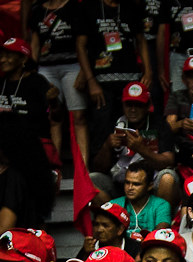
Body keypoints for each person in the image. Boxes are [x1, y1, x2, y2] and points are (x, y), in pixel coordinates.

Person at [75, 0, 152, 152]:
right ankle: (102, 165)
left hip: (130, 80)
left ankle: (133, 163)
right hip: (101, 83)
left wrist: (148, 71)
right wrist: (90, 81)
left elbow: (141, 41)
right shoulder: (89, 7)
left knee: (132, 128)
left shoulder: (131, 7)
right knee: (102, 129)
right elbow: (80, 46)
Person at [89, 81, 177, 200]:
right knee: (91, 179)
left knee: (168, 178)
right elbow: (98, 168)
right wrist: (107, 146)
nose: (133, 109)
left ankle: (160, 212)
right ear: (123, 105)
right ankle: (113, 212)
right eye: (129, 105)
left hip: (150, 184)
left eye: (138, 105)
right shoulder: (113, 123)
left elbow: (168, 162)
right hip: (120, 184)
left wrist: (141, 149)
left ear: (147, 106)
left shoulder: (159, 124)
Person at [29, 0, 90, 161]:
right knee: (52, 117)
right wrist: (33, 72)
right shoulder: (37, 10)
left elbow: (84, 43)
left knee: (79, 116)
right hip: (46, 68)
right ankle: (54, 166)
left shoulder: (75, 7)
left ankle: (83, 166)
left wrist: (84, 72)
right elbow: (35, 44)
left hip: (72, 65)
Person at [113, 162, 173, 236]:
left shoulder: (161, 205)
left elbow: (160, 234)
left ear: (150, 186)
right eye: (127, 183)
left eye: (136, 184)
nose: (130, 188)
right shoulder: (114, 204)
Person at [75, 202, 141, 261]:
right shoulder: (90, 247)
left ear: (120, 229)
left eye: (105, 225)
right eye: (96, 224)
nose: (99, 230)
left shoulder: (135, 249)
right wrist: (86, 255)